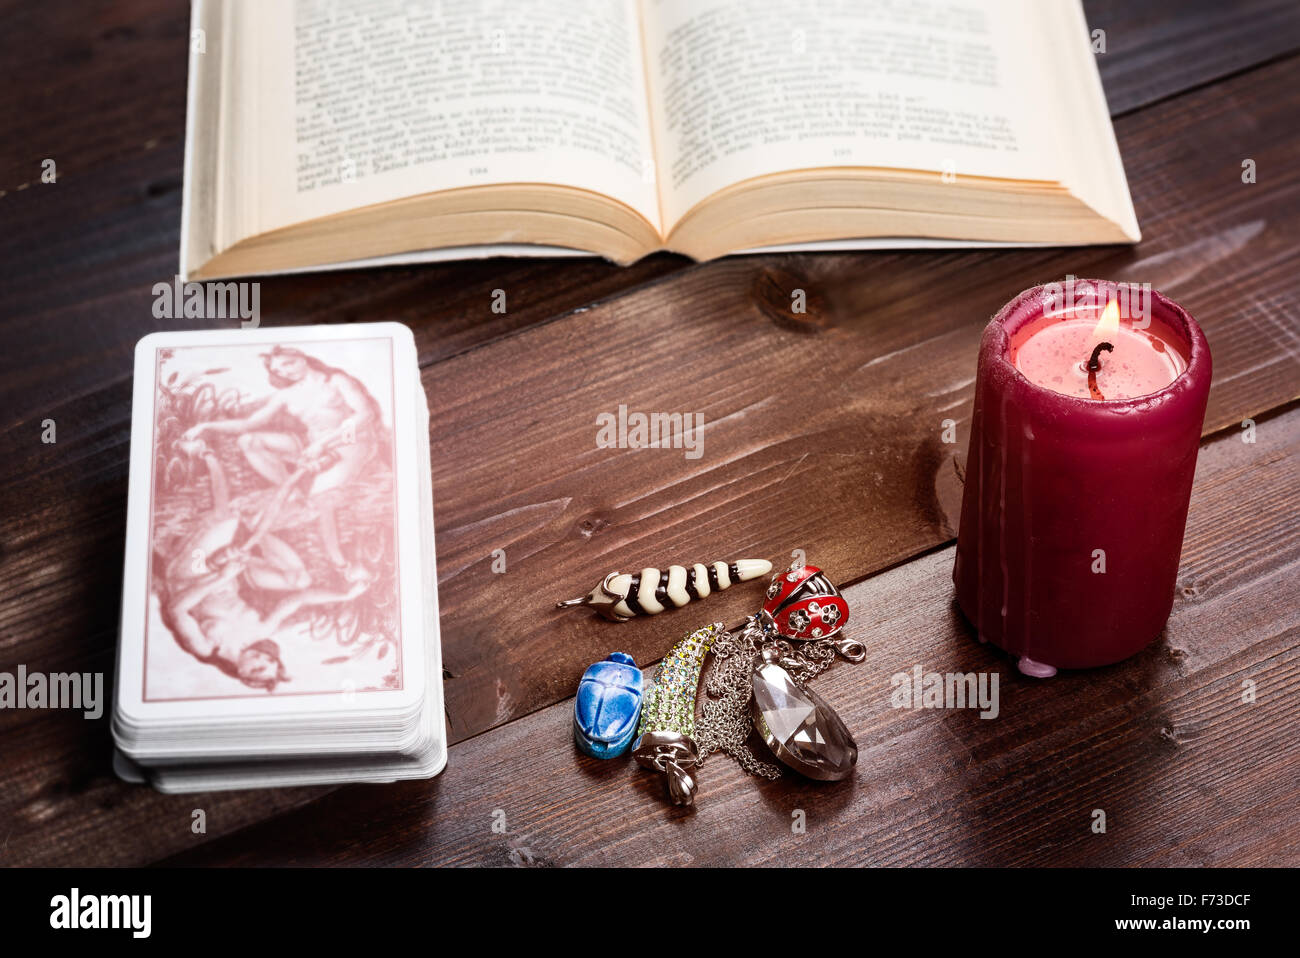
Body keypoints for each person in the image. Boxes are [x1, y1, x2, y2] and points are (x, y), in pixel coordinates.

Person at [160, 440, 371, 691]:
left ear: (243, 675)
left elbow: (176, 608)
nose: (262, 658)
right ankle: (253, 530)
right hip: (229, 572)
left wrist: (218, 577)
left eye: (258, 667)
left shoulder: (206, 647)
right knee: (298, 580)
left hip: (192, 574)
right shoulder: (260, 633)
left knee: (226, 518)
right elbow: (299, 599)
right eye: (270, 660)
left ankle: (206, 453)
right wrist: (343, 594)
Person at [181, 345, 382, 581]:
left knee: (320, 499)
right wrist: (206, 426)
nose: (286, 372)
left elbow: (365, 415)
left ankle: (342, 566)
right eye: (279, 370)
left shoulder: (335, 380)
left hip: (349, 443)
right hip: (311, 446)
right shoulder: (287, 394)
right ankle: (292, 490)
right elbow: (248, 424)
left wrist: (324, 444)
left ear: (302, 356)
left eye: (288, 363)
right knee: (249, 441)